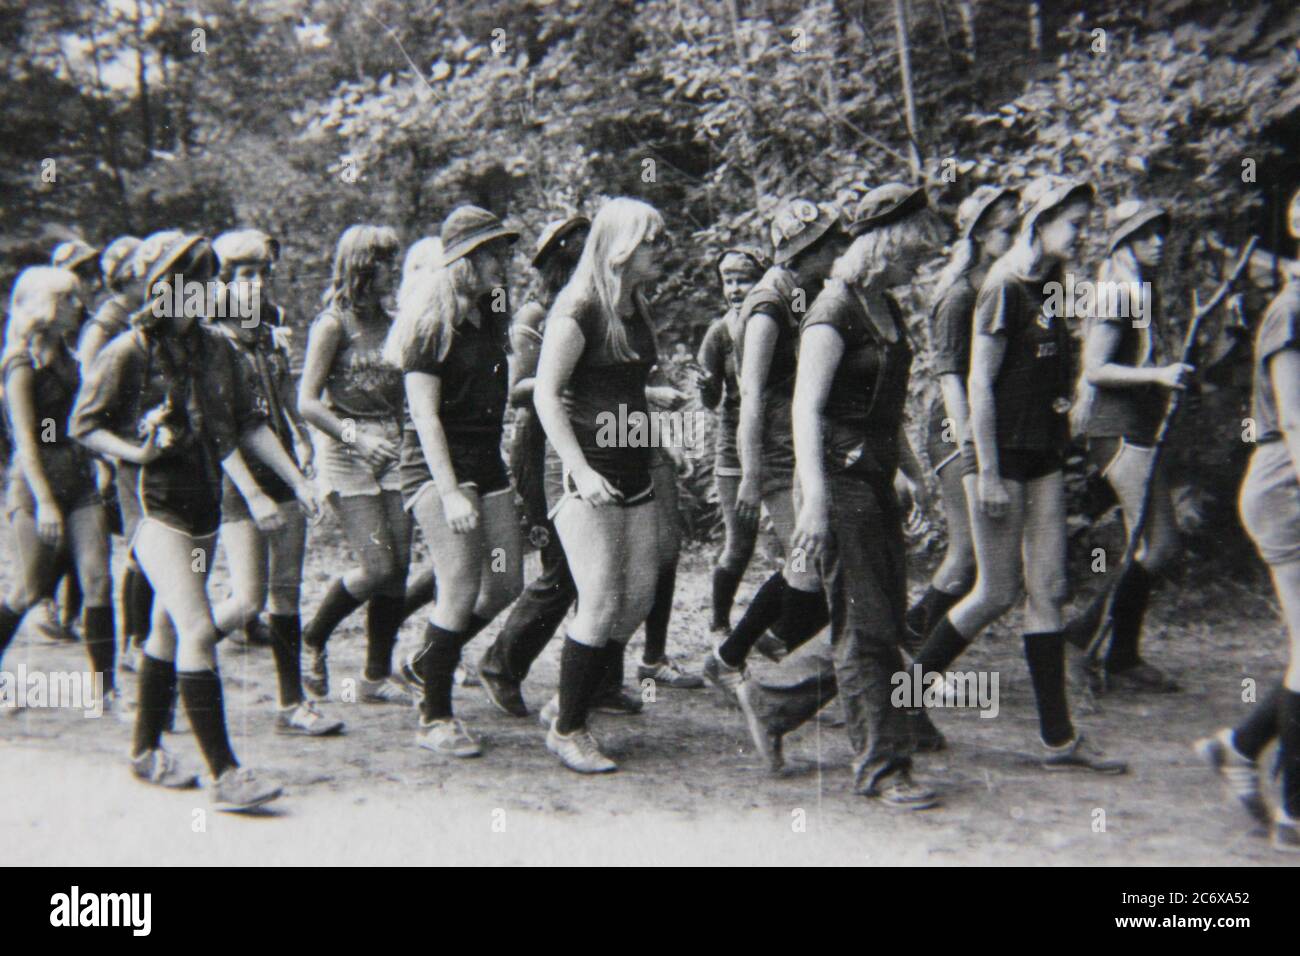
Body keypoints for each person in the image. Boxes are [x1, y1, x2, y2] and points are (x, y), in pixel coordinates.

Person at [72, 234, 321, 810]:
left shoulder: (217, 350)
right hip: (152, 509)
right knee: (197, 628)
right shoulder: (128, 350)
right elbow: (84, 424)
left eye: (212, 282)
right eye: (200, 283)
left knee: (164, 631)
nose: (212, 292)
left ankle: (145, 751)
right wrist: (135, 451)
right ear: (167, 290)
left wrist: (300, 481)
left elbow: (250, 424)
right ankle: (226, 774)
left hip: (204, 505)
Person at [908, 175, 1127, 774]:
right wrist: (988, 473)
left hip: (1045, 454)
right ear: (1042, 220)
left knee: (1049, 589)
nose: (1083, 234)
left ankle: (1058, 739)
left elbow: (1067, 349)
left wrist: (1079, 389)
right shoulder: (1001, 287)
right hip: (1001, 455)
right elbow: (977, 382)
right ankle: (901, 696)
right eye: (1075, 223)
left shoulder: (1053, 281)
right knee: (994, 591)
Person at [736, 185, 946, 801]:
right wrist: (816, 499)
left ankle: (774, 702)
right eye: (914, 253)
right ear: (885, 246)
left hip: (878, 477)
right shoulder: (832, 311)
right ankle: (881, 768)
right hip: (838, 479)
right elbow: (806, 408)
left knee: (881, 624)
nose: (920, 267)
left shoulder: (884, 305)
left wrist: (913, 469)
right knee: (866, 628)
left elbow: (887, 408)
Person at [532, 197, 668, 773]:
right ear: (622, 246)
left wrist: (655, 414)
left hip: (632, 463)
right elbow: (545, 393)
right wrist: (580, 471)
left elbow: (624, 383)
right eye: (653, 241)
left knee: (639, 594)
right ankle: (569, 728)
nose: (663, 251)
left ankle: (571, 691)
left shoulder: (635, 304)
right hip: (579, 466)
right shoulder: (578, 306)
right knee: (601, 596)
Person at [383, 206, 524, 757]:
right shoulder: (428, 324)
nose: (503, 262)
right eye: (493, 252)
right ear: (465, 258)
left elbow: (493, 389)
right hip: (435, 467)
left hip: (486, 461)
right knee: (460, 587)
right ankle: (435, 716)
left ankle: (425, 661)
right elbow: (426, 416)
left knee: (506, 582)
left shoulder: (492, 311)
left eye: (504, 251)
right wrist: (448, 490)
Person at [702, 199, 850, 692]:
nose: (839, 251)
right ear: (806, 250)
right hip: (774, 453)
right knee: (810, 561)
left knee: (808, 563)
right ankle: (745, 651)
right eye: (830, 244)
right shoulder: (767, 305)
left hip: (801, 446)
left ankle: (748, 648)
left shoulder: (804, 291)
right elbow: (749, 396)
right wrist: (750, 474)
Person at [207, 228, 342, 735]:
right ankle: (181, 656)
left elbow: (285, 388)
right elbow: (223, 431)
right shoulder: (211, 344)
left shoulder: (265, 330)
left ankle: (292, 702)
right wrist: (254, 490)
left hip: (281, 465)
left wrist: (304, 437)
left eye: (262, 274)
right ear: (221, 282)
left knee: (287, 592)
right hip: (236, 477)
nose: (256, 284)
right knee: (248, 598)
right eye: (245, 275)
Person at [1195, 206, 1300, 852]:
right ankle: (1292, 808)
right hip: (1286, 484)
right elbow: (1295, 420)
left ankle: (1239, 744)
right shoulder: (1291, 312)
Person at [1069, 200, 1189, 692]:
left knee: (1150, 544)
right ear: (1123, 241)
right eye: (1145, 235)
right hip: (1117, 430)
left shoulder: (1140, 289)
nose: (1157, 243)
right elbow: (1095, 369)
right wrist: (1158, 374)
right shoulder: (1117, 292)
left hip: (1137, 426)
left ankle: (1120, 655)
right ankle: (1081, 639)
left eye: (1161, 233)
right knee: (1158, 544)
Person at [298, 225, 415, 704]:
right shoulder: (332, 325)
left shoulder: (393, 323)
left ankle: (375, 673)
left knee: (401, 566)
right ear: (363, 266)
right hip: (346, 447)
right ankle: (311, 636)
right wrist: (356, 437)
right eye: (385, 261)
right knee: (377, 565)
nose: (392, 270)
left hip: (392, 443)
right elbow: (307, 401)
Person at [905, 186, 1019, 650]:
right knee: (967, 551)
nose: (1016, 238)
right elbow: (950, 376)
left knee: (977, 557)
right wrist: (971, 442)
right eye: (1008, 230)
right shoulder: (957, 295)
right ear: (981, 235)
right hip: (953, 426)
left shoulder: (1002, 286)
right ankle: (912, 641)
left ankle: (919, 641)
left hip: (989, 426)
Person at [0, 267, 115, 702]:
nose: (77, 306)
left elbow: (74, 424)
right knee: (28, 590)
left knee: (98, 579)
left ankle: (105, 689)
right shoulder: (18, 365)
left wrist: (99, 459)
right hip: (34, 487)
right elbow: (28, 441)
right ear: (48, 305)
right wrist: (46, 503)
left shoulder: (68, 357)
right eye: (69, 299)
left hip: (78, 480)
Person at [698, 246, 768, 634]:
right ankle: (720, 625)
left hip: (777, 442)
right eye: (729, 280)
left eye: (745, 279)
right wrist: (707, 385)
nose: (736, 288)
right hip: (734, 445)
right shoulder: (719, 332)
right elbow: (712, 400)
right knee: (741, 542)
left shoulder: (779, 320)